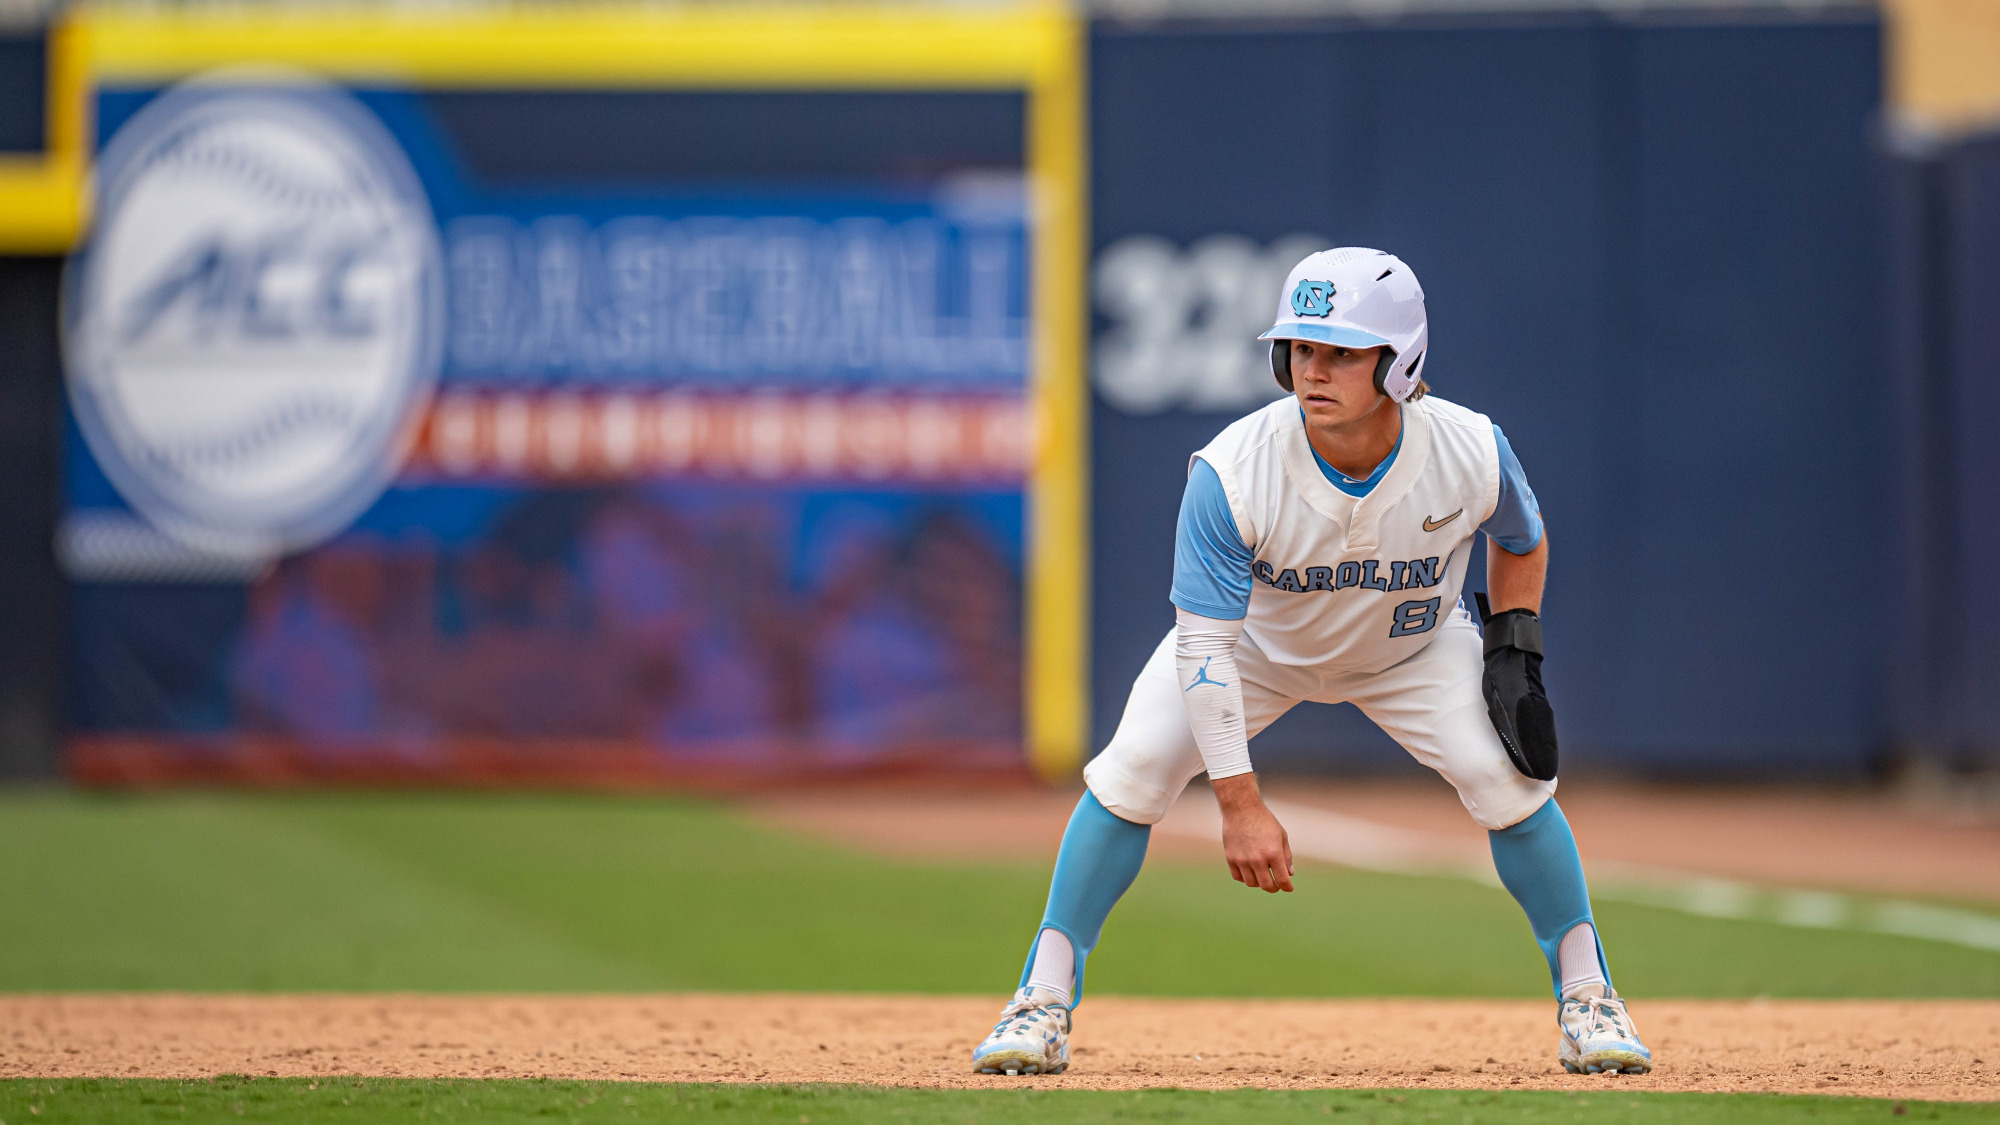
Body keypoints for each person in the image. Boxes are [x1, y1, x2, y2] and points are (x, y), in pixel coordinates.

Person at [971, 248, 1651, 1078]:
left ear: (1400, 364)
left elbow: (1522, 538)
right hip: (1255, 648)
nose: (1313, 369)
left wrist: (1514, 645)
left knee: (1508, 781)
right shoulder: (1234, 469)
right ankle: (1038, 1002)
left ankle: (1590, 1000)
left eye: (1342, 352)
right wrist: (1240, 801)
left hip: (1413, 649)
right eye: (1300, 347)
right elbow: (1206, 647)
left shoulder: (1471, 448)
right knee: (1133, 771)